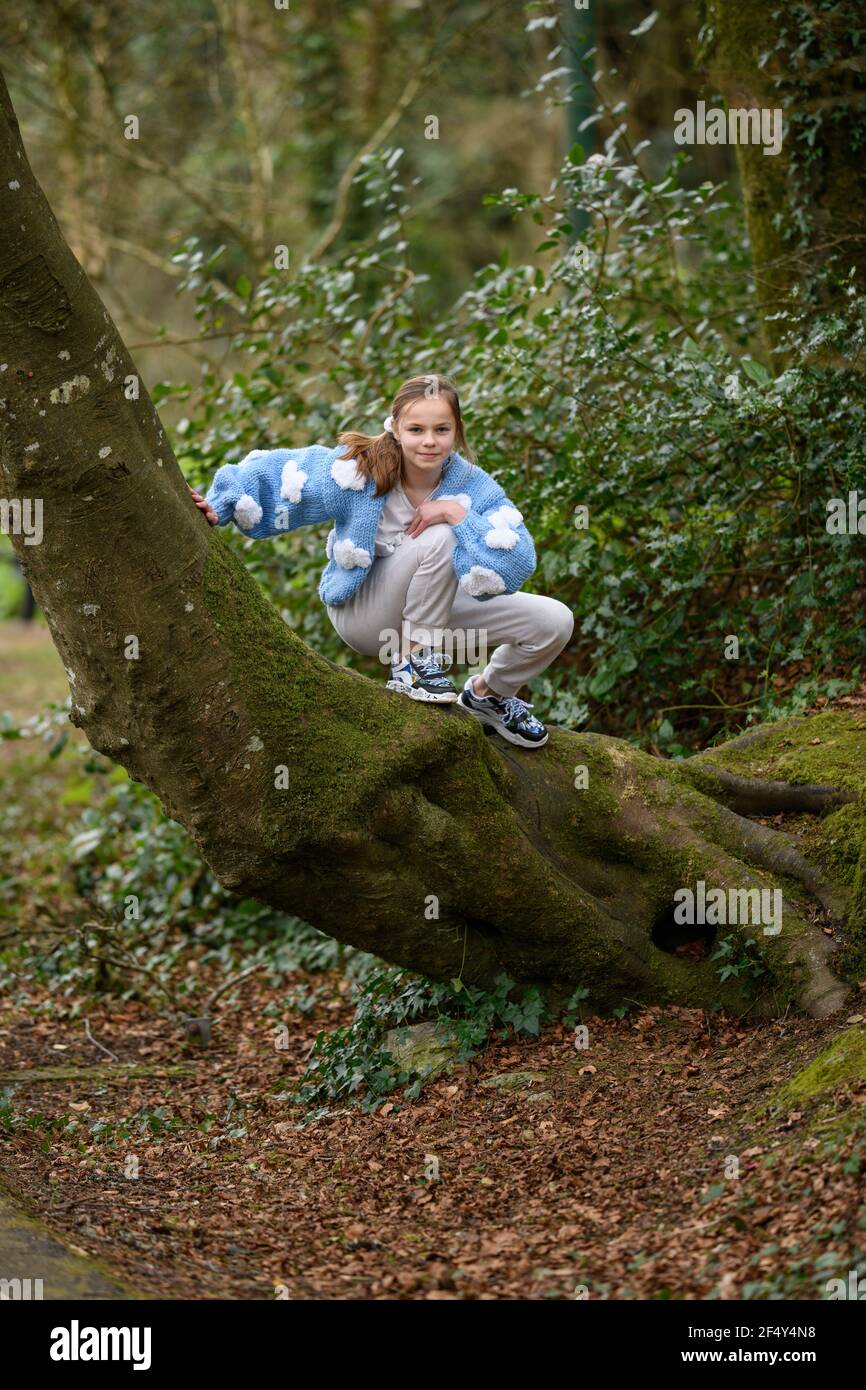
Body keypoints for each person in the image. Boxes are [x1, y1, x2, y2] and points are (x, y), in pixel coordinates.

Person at [189, 373, 573, 749]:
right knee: (437, 537)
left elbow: (516, 560)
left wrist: (457, 513)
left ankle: (488, 697)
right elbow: (284, 472)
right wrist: (221, 503)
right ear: (395, 428)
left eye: (441, 430)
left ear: (457, 432)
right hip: (364, 615)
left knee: (553, 621)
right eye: (416, 429)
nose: (429, 441)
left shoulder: (472, 487)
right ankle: (410, 664)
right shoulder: (360, 470)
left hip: (432, 612)